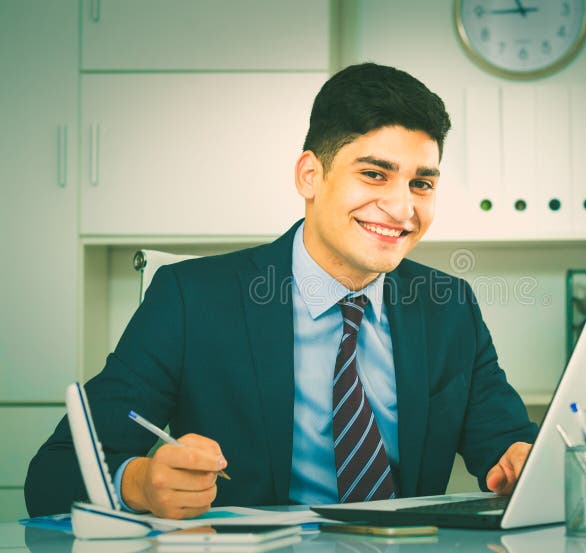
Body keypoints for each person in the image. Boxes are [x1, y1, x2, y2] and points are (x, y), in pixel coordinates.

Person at [25, 63, 537, 519]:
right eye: (374, 174)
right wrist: (138, 482)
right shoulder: (191, 299)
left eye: (421, 184)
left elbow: (506, 442)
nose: (404, 209)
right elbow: (53, 474)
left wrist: (520, 460)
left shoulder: (449, 306)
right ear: (310, 175)